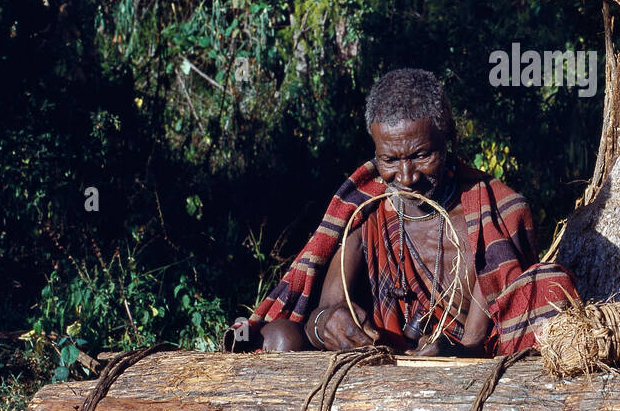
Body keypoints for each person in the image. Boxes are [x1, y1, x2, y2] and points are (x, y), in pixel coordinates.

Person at [230, 68, 579, 356]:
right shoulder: (365, 212)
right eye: (390, 160)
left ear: (449, 141)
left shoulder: (493, 213)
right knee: (279, 338)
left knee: (548, 285)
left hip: (466, 375)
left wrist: (454, 352)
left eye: (420, 156)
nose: (407, 177)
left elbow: (489, 339)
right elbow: (319, 315)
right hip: (376, 368)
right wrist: (329, 324)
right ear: (375, 151)